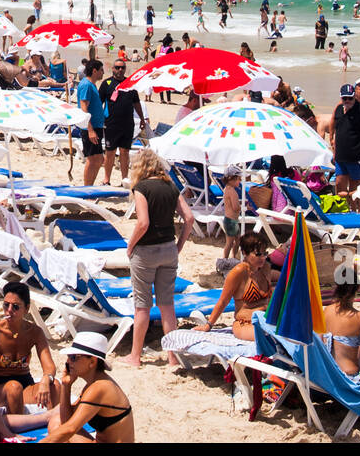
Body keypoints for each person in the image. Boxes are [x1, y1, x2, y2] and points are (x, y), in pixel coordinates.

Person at [125, 149, 194, 367]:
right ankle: (172, 356)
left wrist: (130, 245)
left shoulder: (141, 188)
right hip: (168, 249)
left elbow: (143, 223)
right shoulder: (171, 187)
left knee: (142, 306)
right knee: (167, 305)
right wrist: (179, 245)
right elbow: (189, 218)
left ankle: (135, 356)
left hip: (146, 251)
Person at [0, 282, 58, 413]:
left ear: (26, 309)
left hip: (24, 383)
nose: (9, 310)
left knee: (55, 387)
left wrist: (46, 379)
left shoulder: (34, 332)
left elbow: (49, 365)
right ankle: (16, 431)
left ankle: (55, 426)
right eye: (6, 305)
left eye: (15, 307)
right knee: (14, 388)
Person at [41, 332, 135, 443]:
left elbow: (70, 429)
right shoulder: (93, 384)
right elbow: (66, 420)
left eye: (74, 357)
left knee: (60, 430)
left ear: (92, 362)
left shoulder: (100, 388)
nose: (68, 362)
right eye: (69, 357)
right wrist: (66, 386)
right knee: (56, 422)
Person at [196, 232, 273, 340]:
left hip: (266, 319)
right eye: (258, 254)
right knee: (267, 336)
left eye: (265, 253)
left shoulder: (266, 268)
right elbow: (223, 301)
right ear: (245, 253)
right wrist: (208, 325)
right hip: (245, 323)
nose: (263, 258)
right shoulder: (238, 272)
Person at [326, 82, 360, 211]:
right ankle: (345, 210)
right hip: (341, 156)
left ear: (354, 96)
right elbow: (333, 123)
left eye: (350, 98)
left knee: (356, 187)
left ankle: (359, 213)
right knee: (339, 185)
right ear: (341, 97)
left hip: (358, 156)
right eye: (345, 98)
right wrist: (331, 138)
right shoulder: (338, 109)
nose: (347, 100)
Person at [99, 59, 146, 186]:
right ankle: (106, 179)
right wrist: (97, 119)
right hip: (111, 123)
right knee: (110, 152)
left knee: (124, 152)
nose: (120, 70)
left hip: (127, 124)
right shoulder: (106, 83)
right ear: (113, 68)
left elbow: (136, 102)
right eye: (117, 67)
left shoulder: (130, 84)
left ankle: (124, 179)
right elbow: (99, 103)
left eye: (122, 68)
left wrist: (142, 118)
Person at [77, 60, 106, 186]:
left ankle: (90, 187)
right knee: (93, 159)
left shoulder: (91, 85)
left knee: (98, 159)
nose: (103, 73)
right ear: (94, 70)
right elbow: (84, 108)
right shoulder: (86, 85)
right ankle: (87, 188)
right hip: (91, 127)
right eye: (101, 70)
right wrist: (90, 130)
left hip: (96, 126)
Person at [219, 165, 244, 260]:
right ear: (232, 179)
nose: (240, 181)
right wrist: (244, 207)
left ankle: (233, 258)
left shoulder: (227, 189)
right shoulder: (232, 192)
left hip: (230, 220)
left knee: (237, 241)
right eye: (238, 179)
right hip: (231, 221)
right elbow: (235, 207)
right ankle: (225, 260)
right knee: (229, 243)